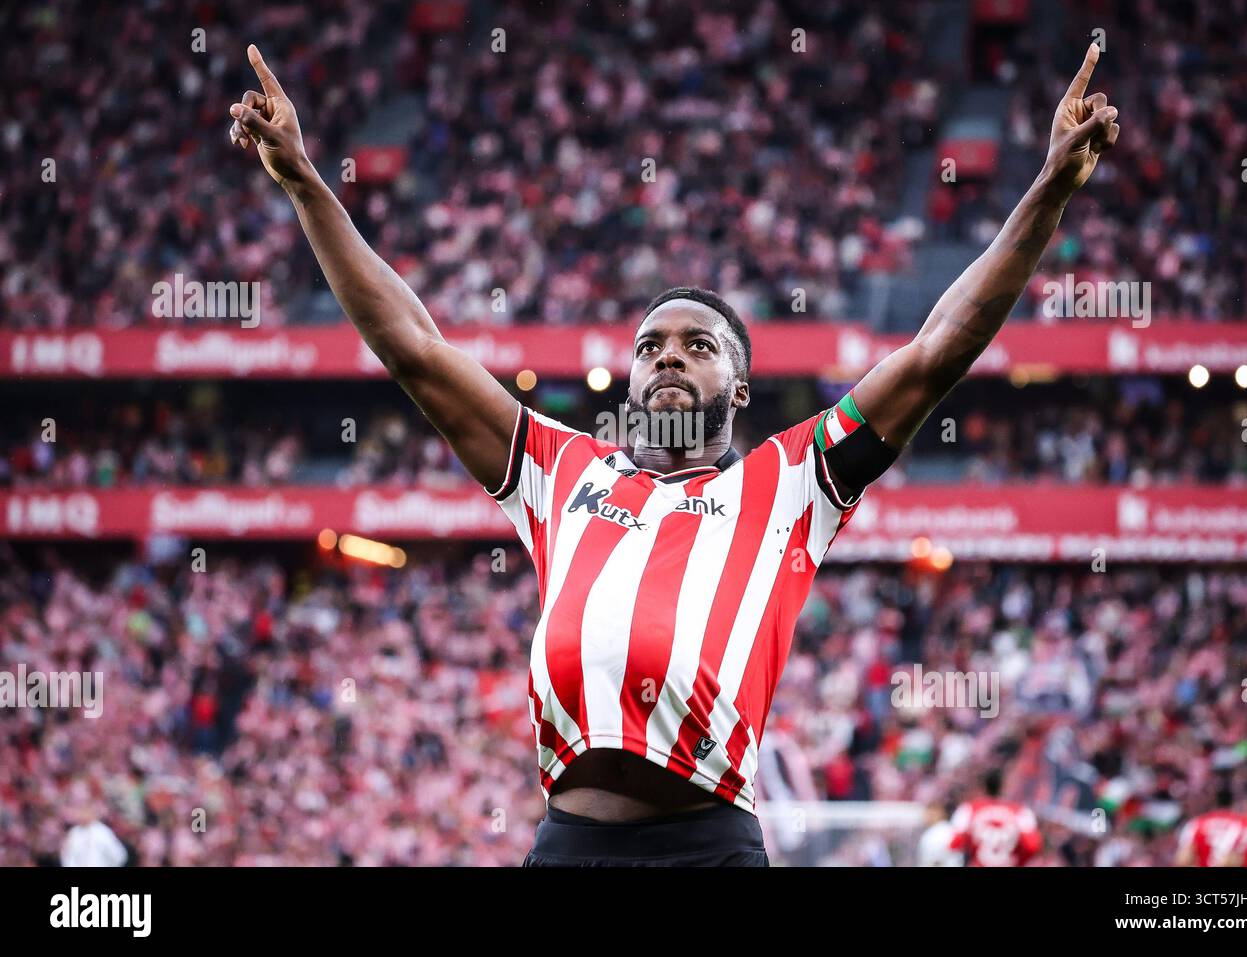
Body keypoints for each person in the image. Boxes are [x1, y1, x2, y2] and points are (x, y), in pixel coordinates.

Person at [229, 41, 1120, 866]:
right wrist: (304, 179)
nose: (666, 354)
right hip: (568, 843)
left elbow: (936, 350)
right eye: (652, 343)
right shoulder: (559, 469)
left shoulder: (790, 484)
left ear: (738, 390)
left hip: (708, 844)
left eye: (698, 345)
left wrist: (1048, 188)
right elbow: (413, 346)